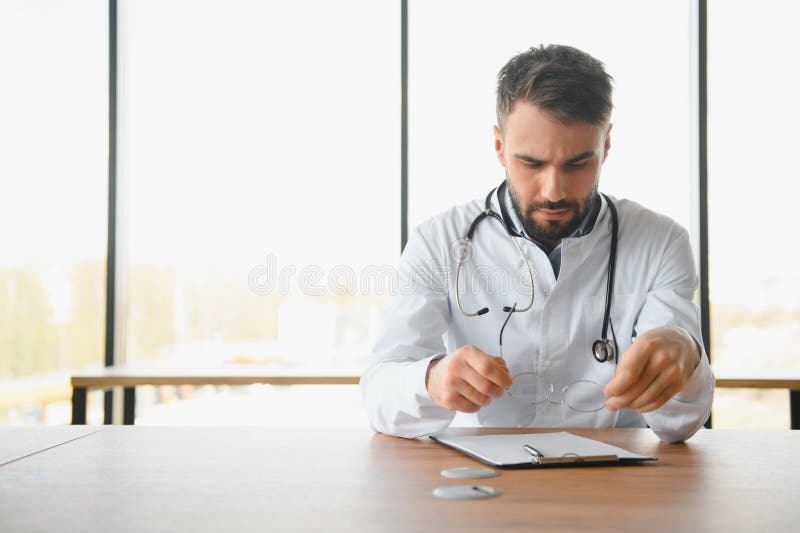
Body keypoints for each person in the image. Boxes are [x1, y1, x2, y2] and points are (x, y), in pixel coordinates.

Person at [360, 44, 714, 443]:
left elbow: (679, 425)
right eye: (531, 163)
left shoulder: (661, 242)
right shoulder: (438, 241)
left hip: (613, 484)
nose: (554, 191)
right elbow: (379, 396)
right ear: (498, 146)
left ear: (607, 144)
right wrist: (431, 380)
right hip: (478, 482)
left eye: (578, 163)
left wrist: (687, 358)